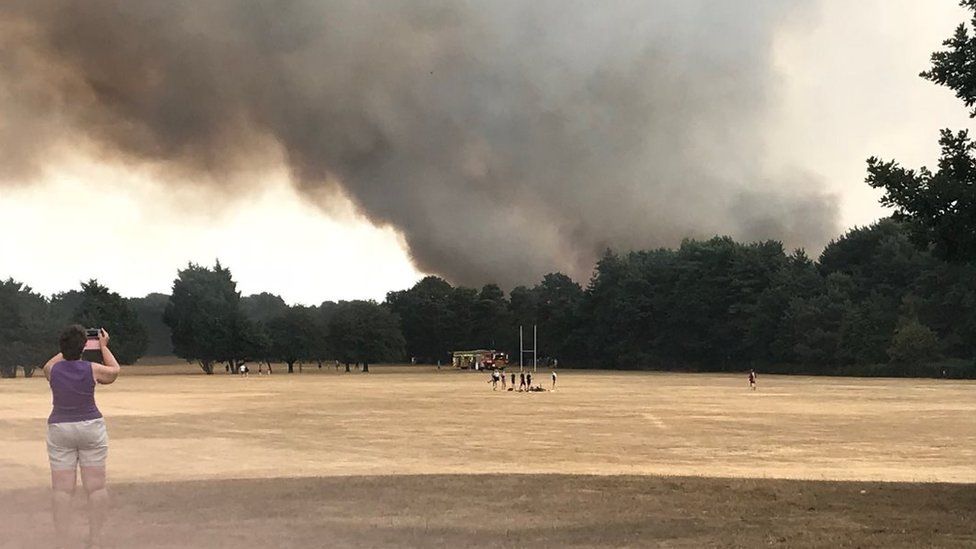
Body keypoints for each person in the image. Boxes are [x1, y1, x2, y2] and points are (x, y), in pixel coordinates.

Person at [41, 325, 120, 549]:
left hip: (60, 427)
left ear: (62, 348)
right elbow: (114, 371)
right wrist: (103, 346)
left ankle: (62, 541)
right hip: (90, 426)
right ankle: (94, 541)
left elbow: (48, 364)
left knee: (62, 489)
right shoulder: (92, 369)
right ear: (85, 346)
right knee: (95, 487)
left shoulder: (53, 370)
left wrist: (69, 349)